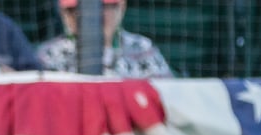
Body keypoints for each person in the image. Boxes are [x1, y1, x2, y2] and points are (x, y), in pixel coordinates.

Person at [36, 0, 172, 77]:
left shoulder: (142, 48)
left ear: (121, 7)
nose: (87, 16)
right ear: (63, 14)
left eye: (103, 7)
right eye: (73, 10)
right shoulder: (49, 55)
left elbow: (163, 98)